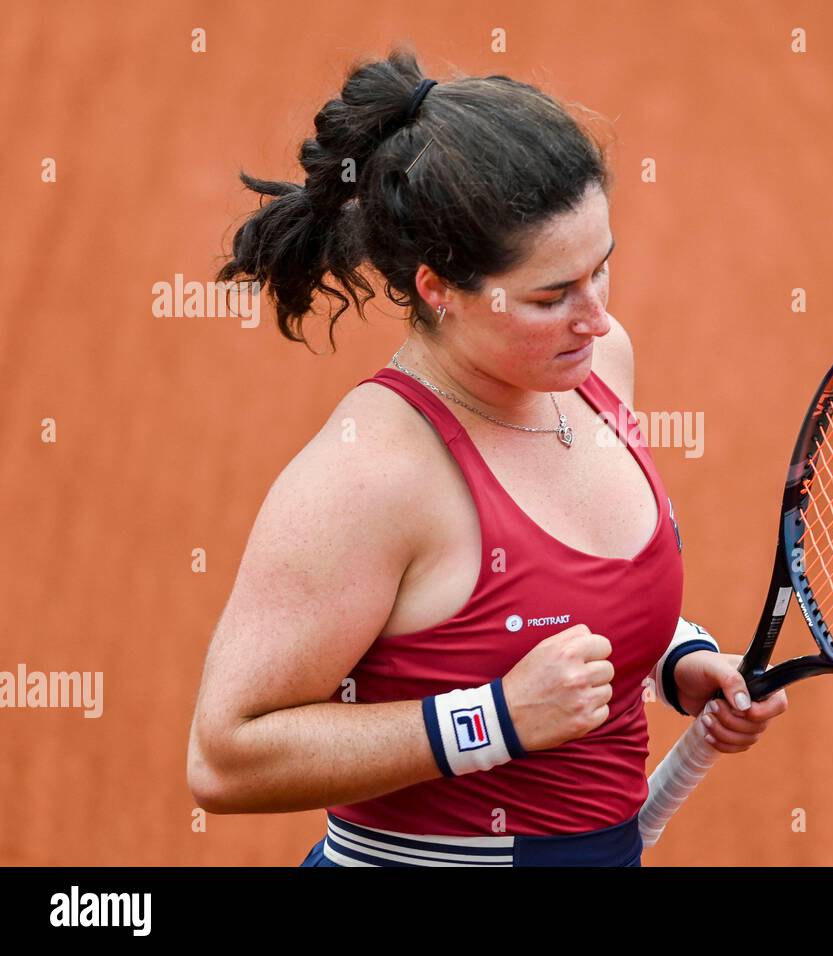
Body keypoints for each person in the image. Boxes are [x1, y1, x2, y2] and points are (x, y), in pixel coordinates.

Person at [186, 49, 788, 867]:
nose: (597, 317)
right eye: (551, 296)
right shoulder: (370, 476)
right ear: (438, 289)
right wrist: (495, 719)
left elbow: (550, 602)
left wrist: (677, 659)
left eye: (602, 268)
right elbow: (225, 755)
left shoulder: (598, 369)